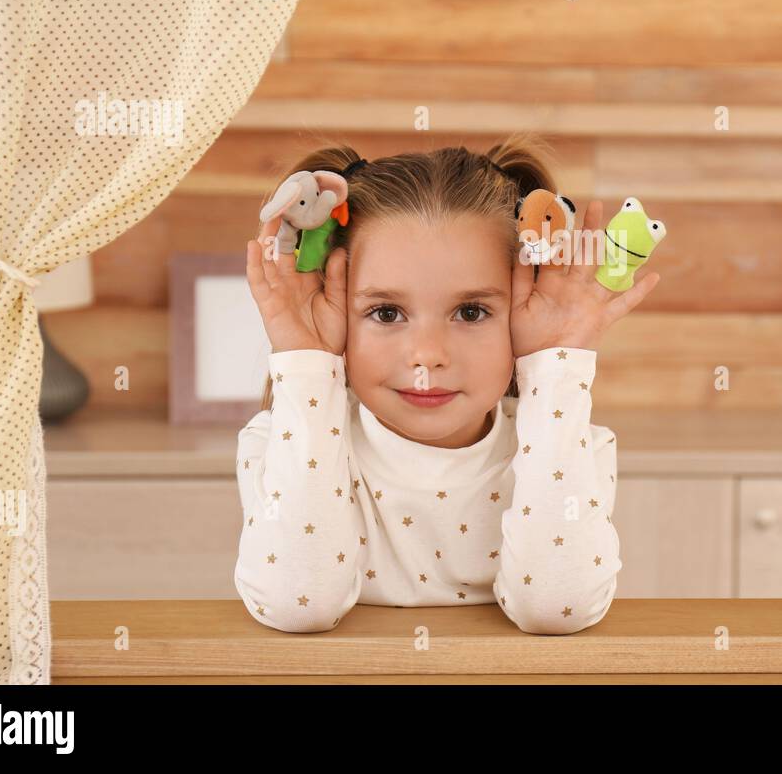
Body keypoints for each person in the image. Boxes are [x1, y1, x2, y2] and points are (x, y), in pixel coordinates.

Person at [233, 134, 661, 634]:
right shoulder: (278, 444)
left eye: (471, 311)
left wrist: (554, 361)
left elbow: (555, 609)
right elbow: (297, 604)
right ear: (334, 306)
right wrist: (306, 358)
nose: (427, 356)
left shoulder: (572, 448)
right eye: (386, 313)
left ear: (524, 307)